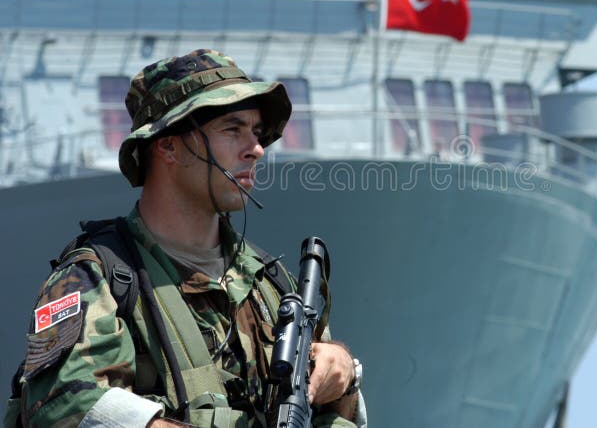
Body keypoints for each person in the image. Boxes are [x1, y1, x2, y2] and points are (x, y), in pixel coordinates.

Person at [4, 50, 366, 427]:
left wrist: (345, 373)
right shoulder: (99, 278)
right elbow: (64, 408)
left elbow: (333, 412)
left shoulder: (270, 285)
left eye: (256, 133)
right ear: (168, 146)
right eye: (232, 129)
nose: (256, 149)